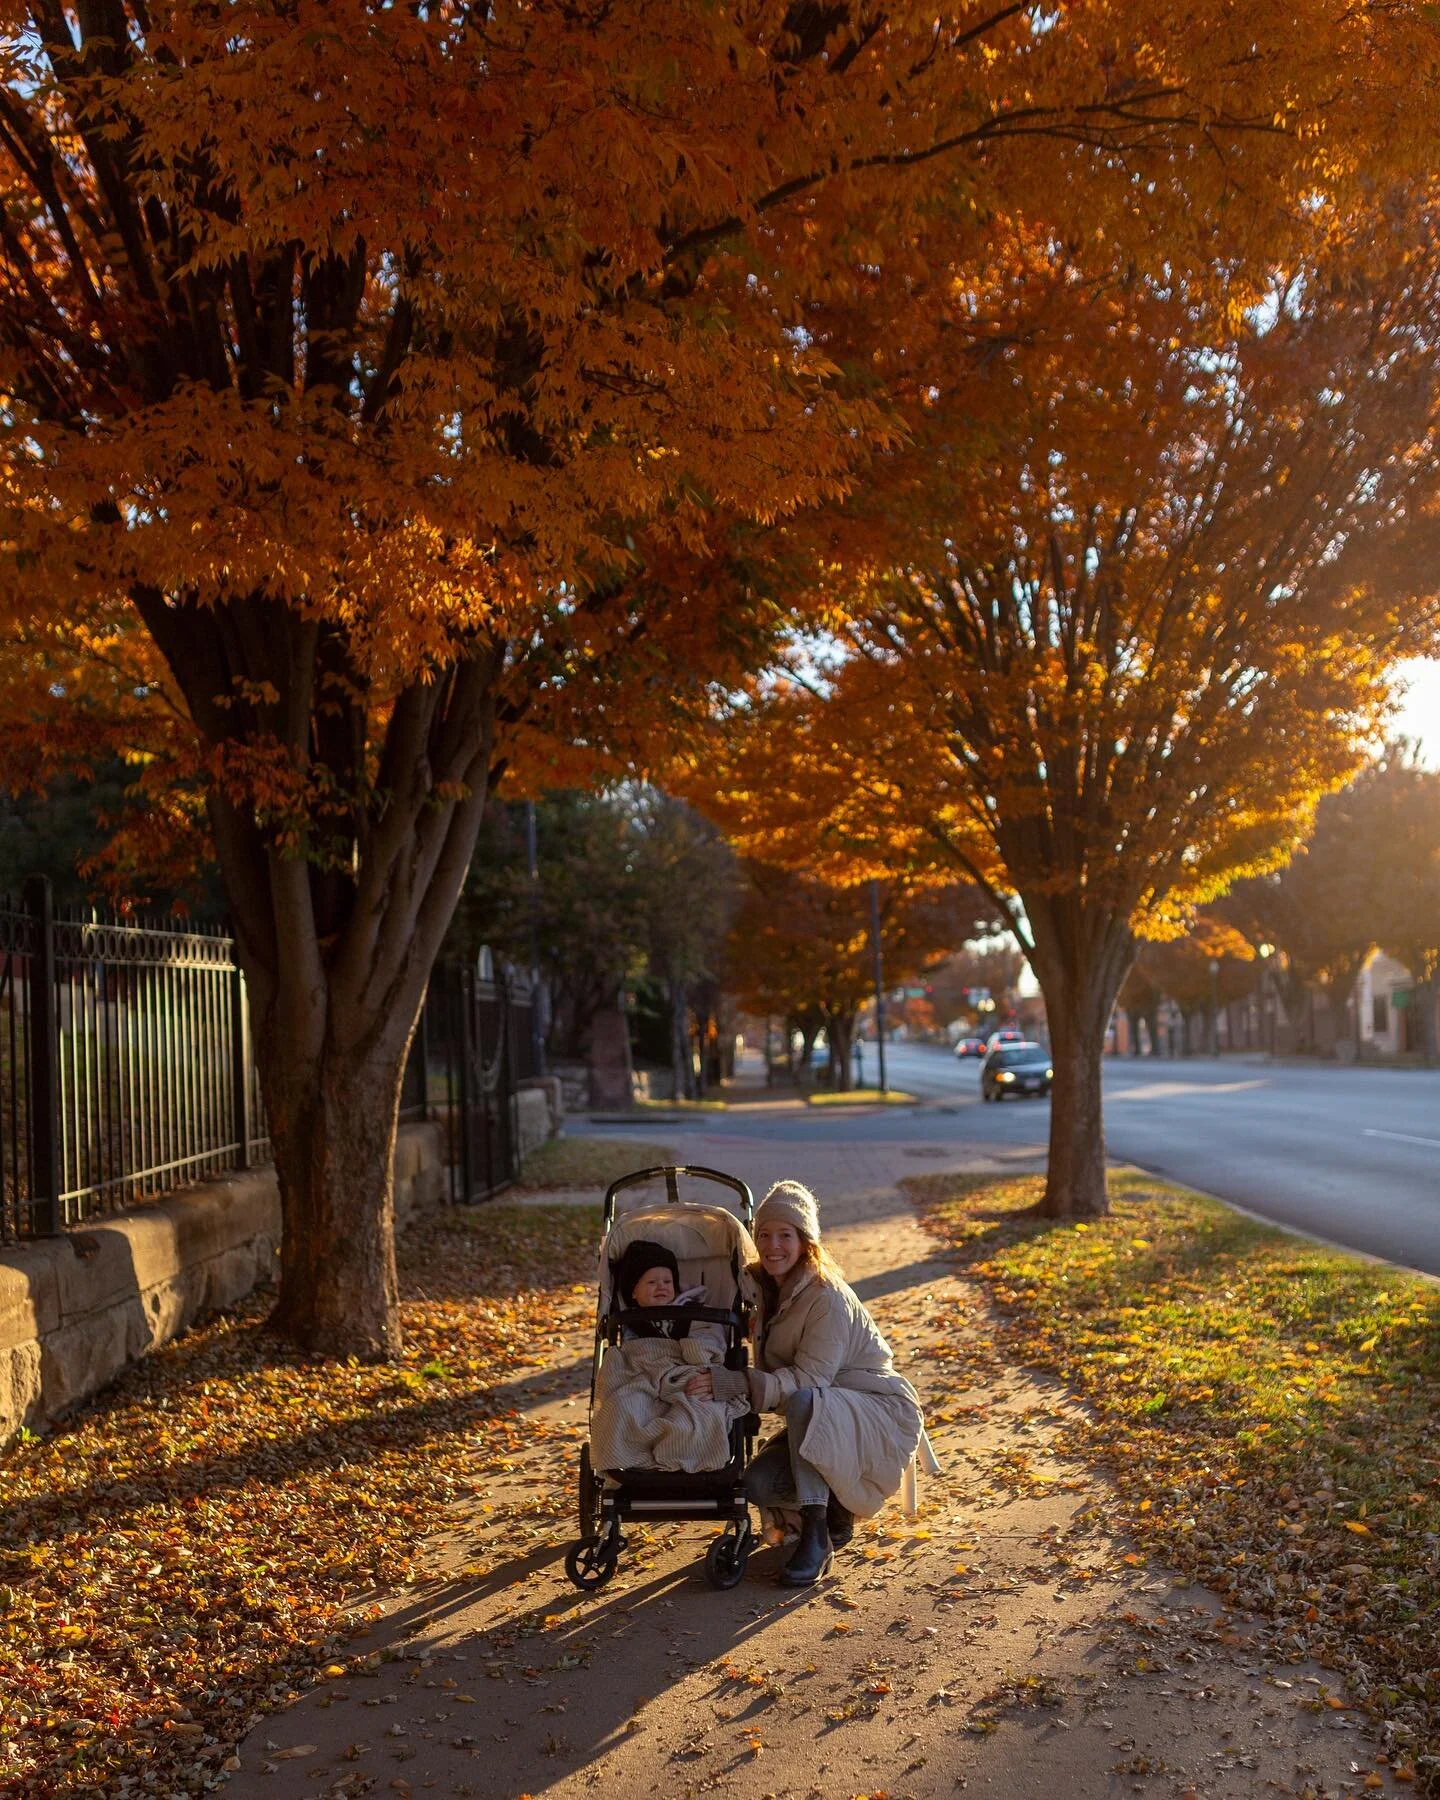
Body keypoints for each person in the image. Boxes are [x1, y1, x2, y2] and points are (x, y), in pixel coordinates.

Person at [687, 1181, 924, 1587]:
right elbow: (720, 1304)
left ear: (805, 1242)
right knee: (759, 1484)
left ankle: (816, 1537)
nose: (773, 1245)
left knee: (803, 1400)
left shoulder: (826, 1296)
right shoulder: (762, 1287)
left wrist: (735, 1383)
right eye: (764, 1234)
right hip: (827, 1413)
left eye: (785, 1235)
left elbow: (809, 1382)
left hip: (875, 1409)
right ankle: (836, 1509)